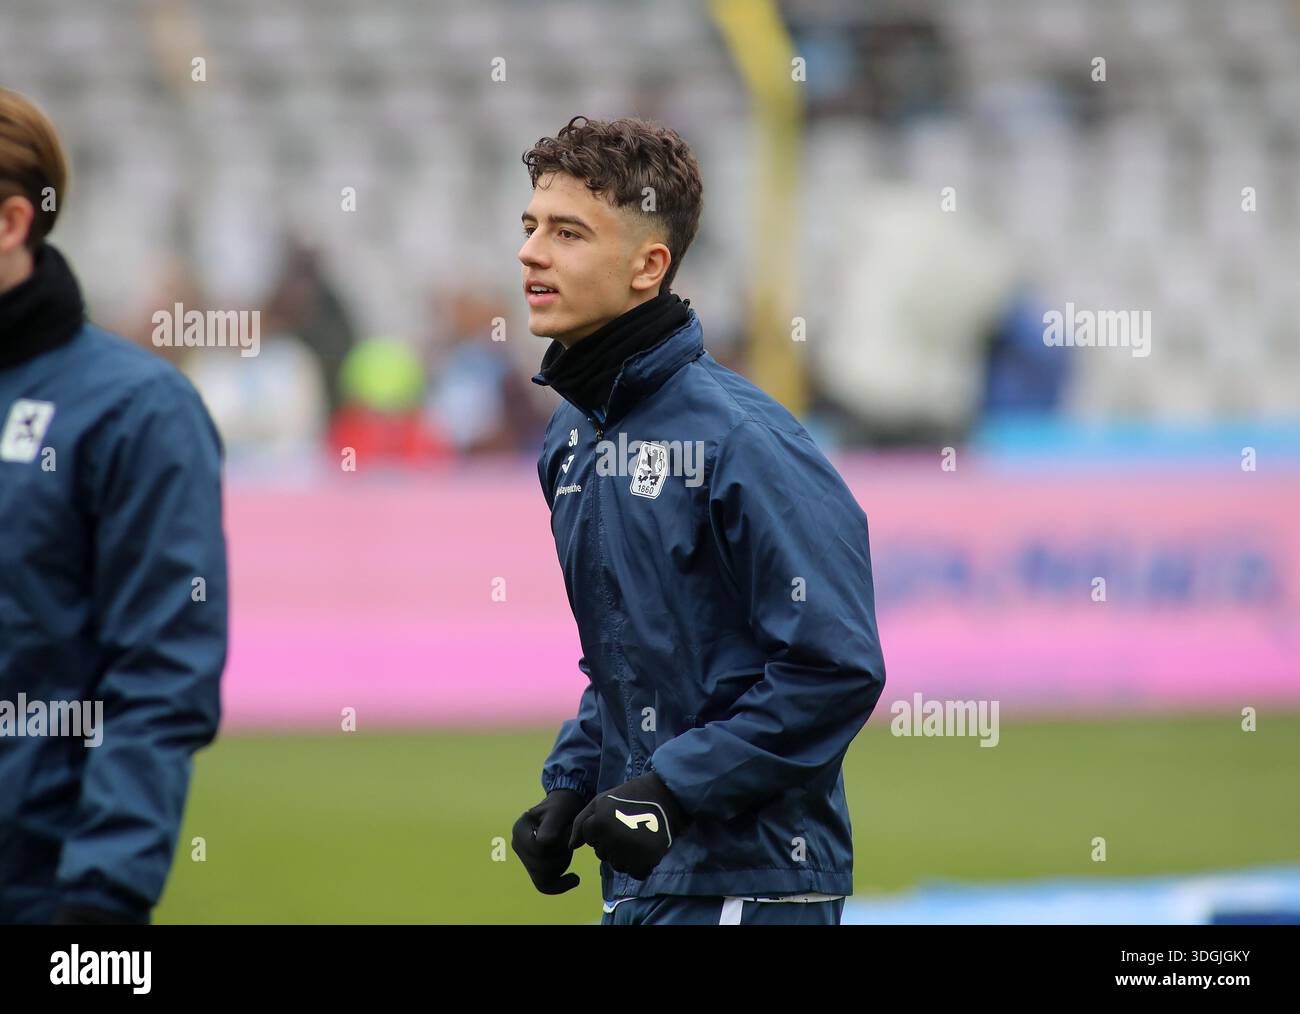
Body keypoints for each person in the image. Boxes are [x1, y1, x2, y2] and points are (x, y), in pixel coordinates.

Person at [510, 116, 886, 926]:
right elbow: (629, 658)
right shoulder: (573, 436)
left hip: (751, 885)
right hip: (649, 884)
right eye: (532, 225)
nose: (532, 252)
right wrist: (573, 781)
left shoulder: (746, 440)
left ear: (650, 265)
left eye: (568, 233)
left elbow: (834, 667)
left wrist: (671, 790)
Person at [0, 87, 227, 924]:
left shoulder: (137, 411)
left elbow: (163, 677)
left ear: (11, 223)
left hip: (41, 892)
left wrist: (100, 901)